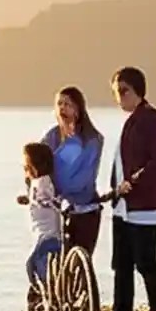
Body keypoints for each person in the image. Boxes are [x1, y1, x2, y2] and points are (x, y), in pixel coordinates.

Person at [108, 67, 156, 311]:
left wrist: (131, 183)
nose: (119, 97)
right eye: (116, 92)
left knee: (145, 263)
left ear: (138, 90)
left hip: (145, 207)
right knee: (121, 266)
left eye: (124, 91)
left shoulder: (155, 121)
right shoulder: (133, 120)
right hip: (123, 206)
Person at [40, 86, 105, 254]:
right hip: (56, 208)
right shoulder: (52, 137)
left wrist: (62, 193)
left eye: (67, 104)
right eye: (59, 104)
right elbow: (37, 164)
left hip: (84, 209)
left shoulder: (91, 139)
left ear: (78, 109)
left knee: (81, 260)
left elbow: (86, 176)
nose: (62, 108)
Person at [16, 142, 61, 311]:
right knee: (39, 285)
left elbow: (48, 199)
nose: (24, 169)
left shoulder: (43, 183)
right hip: (44, 238)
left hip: (46, 240)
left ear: (35, 166)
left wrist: (42, 202)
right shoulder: (37, 183)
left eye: (26, 165)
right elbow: (39, 199)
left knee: (41, 284)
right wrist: (29, 200)